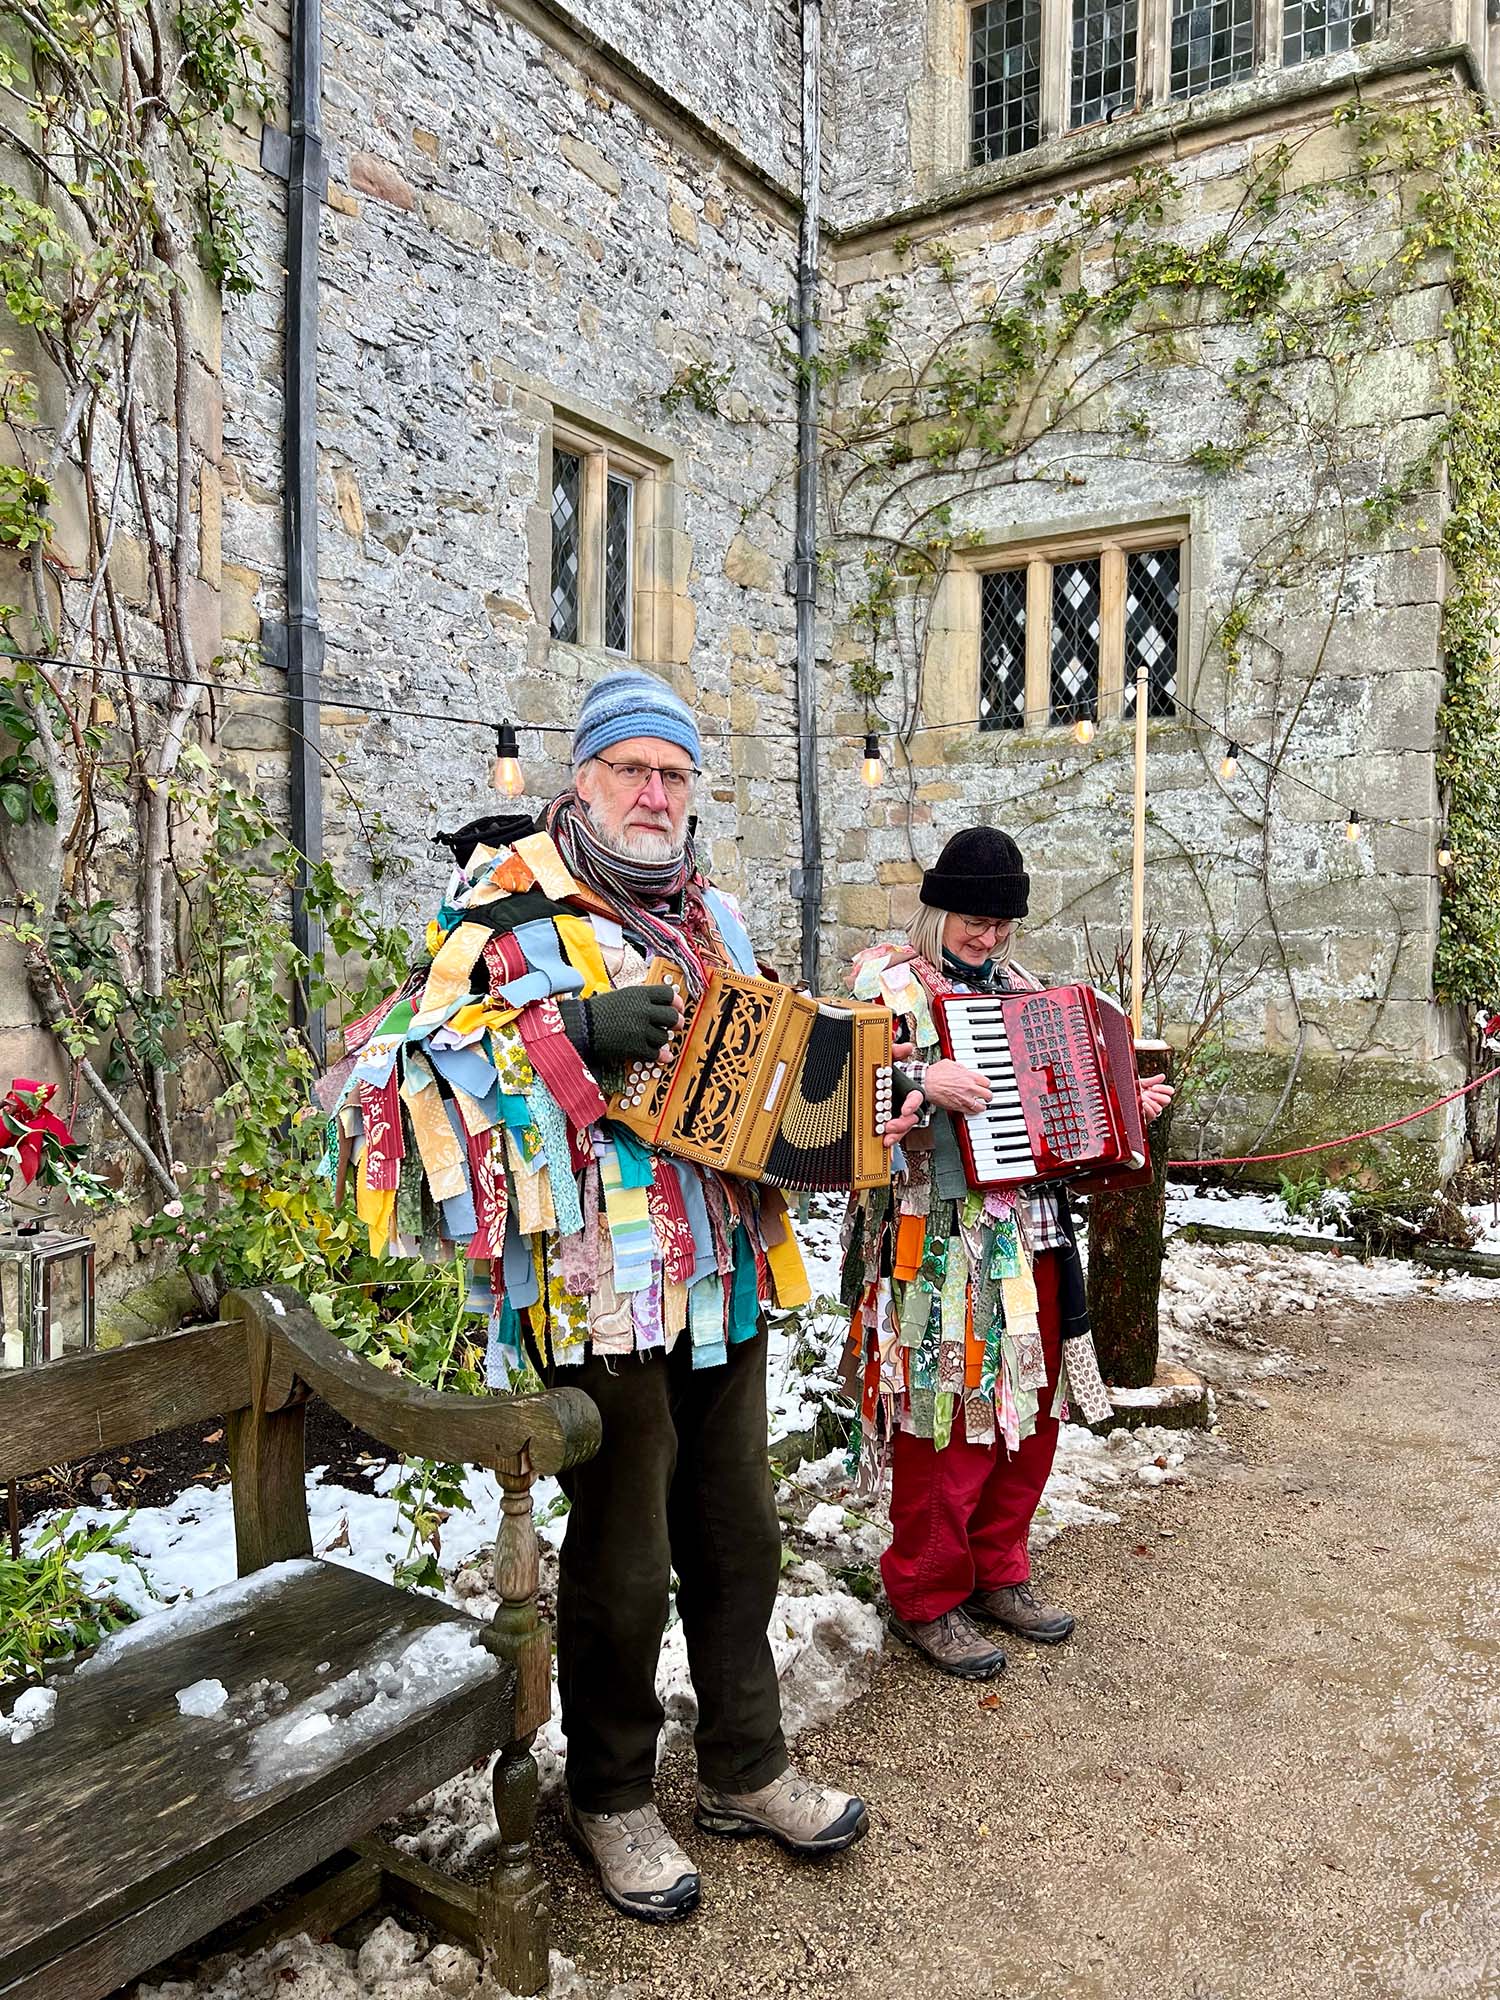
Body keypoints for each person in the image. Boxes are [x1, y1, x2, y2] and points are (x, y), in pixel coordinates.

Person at [323, 670, 867, 1927]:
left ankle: (744, 1765)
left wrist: (841, 1103)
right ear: (585, 779)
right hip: (594, 1287)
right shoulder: (504, 905)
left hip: (722, 1269)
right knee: (626, 1552)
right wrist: (570, 1023)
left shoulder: (714, 915)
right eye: (634, 770)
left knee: (739, 1529)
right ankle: (613, 1793)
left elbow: (766, 1067)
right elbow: (391, 1074)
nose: (657, 794)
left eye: (675, 775)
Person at [841, 826, 1173, 1680]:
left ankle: (998, 1571)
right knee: (945, 1423)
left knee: (1030, 1417)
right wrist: (920, 1081)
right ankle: (925, 1595)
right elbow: (837, 1088)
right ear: (938, 907)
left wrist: (1125, 1099)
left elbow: (1065, 1105)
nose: (988, 938)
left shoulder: (1027, 992)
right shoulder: (885, 980)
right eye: (973, 921)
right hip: (936, 1244)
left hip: (1036, 1237)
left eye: (1002, 924)